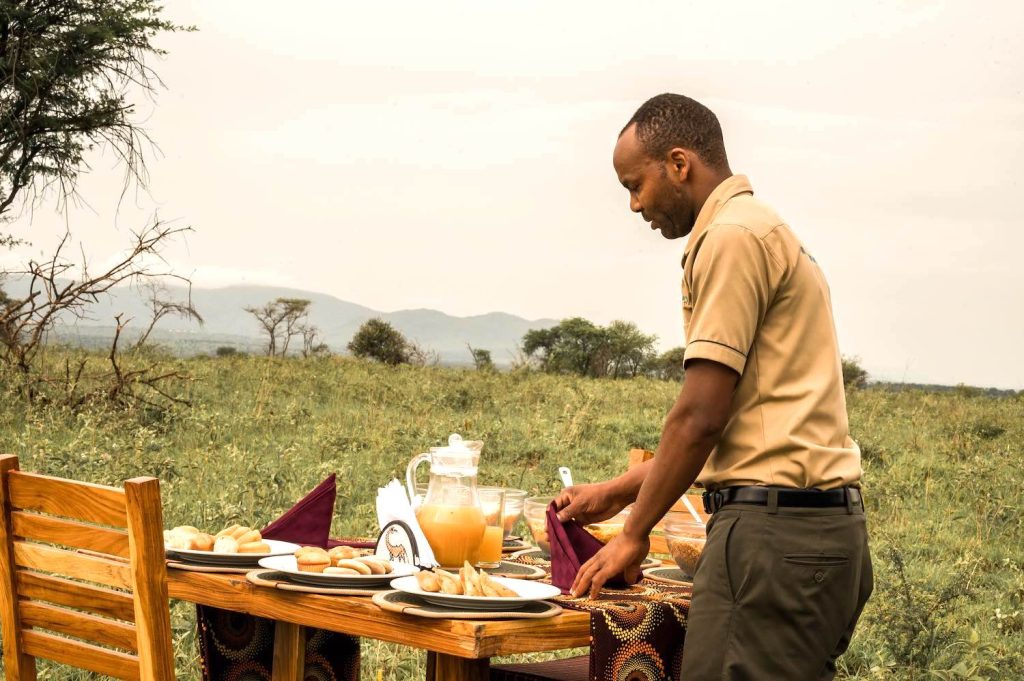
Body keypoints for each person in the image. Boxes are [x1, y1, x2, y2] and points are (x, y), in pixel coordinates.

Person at [555, 93, 873, 680]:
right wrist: (621, 490)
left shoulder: (730, 237)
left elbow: (700, 416)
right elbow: (752, 430)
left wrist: (633, 534)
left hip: (771, 541)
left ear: (679, 164)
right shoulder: (766, 227)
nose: (633, 205)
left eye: (636, 184)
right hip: (823, 533)